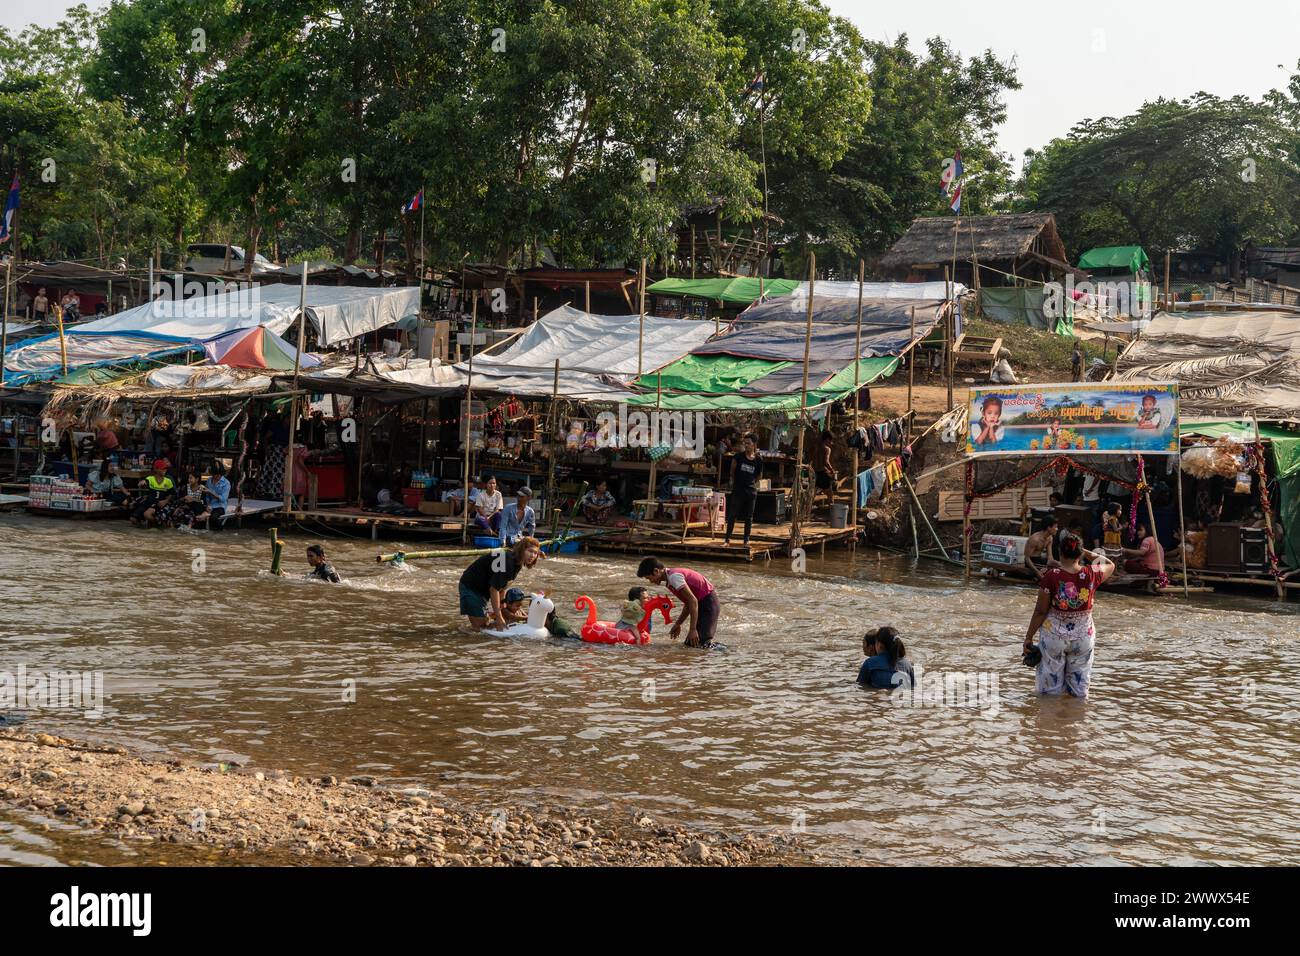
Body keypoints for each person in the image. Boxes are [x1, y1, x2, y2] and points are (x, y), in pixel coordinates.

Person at [1023, 533, 1115, 698]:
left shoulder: (1051, 576)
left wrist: (1028, 638)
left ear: (1060, 552)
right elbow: (1110, 564)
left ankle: (1050, 722)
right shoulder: (1091, 573)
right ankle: (1076, 720)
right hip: (1083, 638)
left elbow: (1040, 611)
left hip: (1054, 638)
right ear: (1079, 554)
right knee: (1079, 692)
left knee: (1049, 692)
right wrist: (1085, 551)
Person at [458, 536, 543, 630]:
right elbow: (494, 589)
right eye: (530, 551)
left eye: (535, 553)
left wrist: (503, 608)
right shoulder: (508, 562)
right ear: (522, 550)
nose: (533, 555)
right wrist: (499, 617)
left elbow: (502, 587)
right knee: (480, 628)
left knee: (487, 622)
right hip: (471, 587)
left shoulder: (516, 562)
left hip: (481, 590)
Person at [637, 557, 719, 648]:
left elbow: (693, 600)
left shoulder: (674, 577)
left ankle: (726, 653)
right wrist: (678, 623)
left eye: (649, 578)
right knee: (692, 644)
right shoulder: (670, 579)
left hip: (708, 603)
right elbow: (688, 603)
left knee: (701, 643)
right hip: (702, 603)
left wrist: (692, 629)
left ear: (656, 571)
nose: (650, 581)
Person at [724, 432, 763, 547]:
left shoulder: (758, 460)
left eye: (749, 443)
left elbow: (759, 476)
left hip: (751, 492)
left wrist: (751, 483)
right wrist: (733, 482)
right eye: (745, 443)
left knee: (749, 517)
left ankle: (746, 540)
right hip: (738, 490)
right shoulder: (738, 457)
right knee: (732, 515)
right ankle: (727, 540)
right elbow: (732, 471)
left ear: (754, 444)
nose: (746, 445)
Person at [130, 459, 176, 527]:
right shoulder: (150, 479)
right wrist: (142, 483)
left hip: (159, 504)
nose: (165, 470)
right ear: (156, 469)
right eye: (163, 469)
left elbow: (172, 494)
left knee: (147, 514)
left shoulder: (168, 481)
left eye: (165, 469)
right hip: (149, 502)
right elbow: (145, 481)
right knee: (133, 519)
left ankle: (157, 524)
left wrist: (165, 501)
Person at [202, 462, 231, 529]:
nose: (214, 477)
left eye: (216, 475)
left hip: (220, 506)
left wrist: (210, 492)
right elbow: (207, 496)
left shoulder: (226, 483)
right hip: (210, 505)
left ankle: (220, 530)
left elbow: (223, 499)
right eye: (213, 474)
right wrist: (208, 505)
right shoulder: (209, 480)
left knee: (213, 519)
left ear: (220, 473)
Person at [815, 428, 837, 504]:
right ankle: (833, 510)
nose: (831, 443)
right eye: (831, 440)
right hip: (823, 474)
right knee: (830, 494)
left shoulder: (816, 448)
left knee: (812, 494)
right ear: (827, 439)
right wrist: (832, 470)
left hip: (815, 473)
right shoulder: (827, 449)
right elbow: (826, 462)